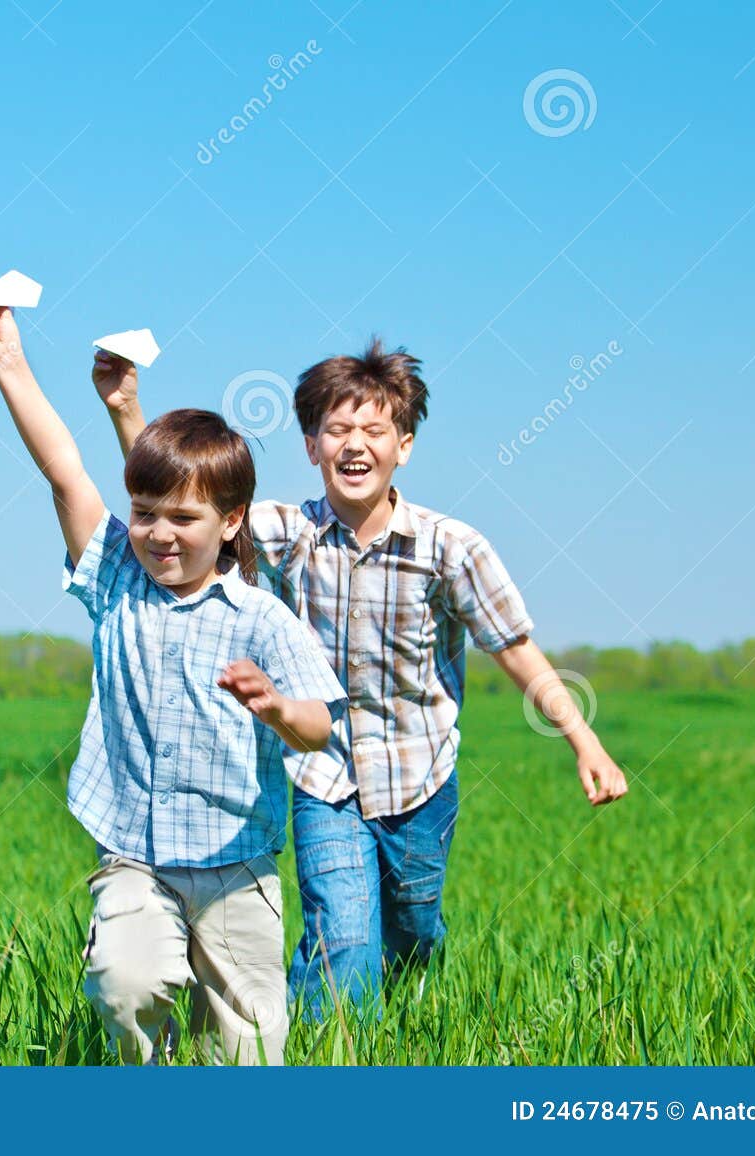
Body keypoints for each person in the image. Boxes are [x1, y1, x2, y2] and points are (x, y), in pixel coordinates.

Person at [93, 338, 629, 1021]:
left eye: (374, 430)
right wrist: (127, 409)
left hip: (420, 776)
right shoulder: (287, 532)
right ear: (311, 446)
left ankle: (403, 1004)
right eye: (337, 429)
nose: (354, 444)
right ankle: (331, 1053)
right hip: (326, 776)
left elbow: (515, 649)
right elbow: (181, 500)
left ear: (404, 445)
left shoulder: (449, 548)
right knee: (343, 939)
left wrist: (584, 740)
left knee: (413, 927)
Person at [0, 305, 347, 1064]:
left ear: (231, 521)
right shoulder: (116, 579)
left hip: (238, 866)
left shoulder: (261, 618)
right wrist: (8, 362)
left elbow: (318, 727)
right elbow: (64, 471)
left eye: (183, 518)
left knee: (248, 1049)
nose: (159, 533)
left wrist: (274, 706)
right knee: (125, 982)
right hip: (134, 854)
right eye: (144, 513)